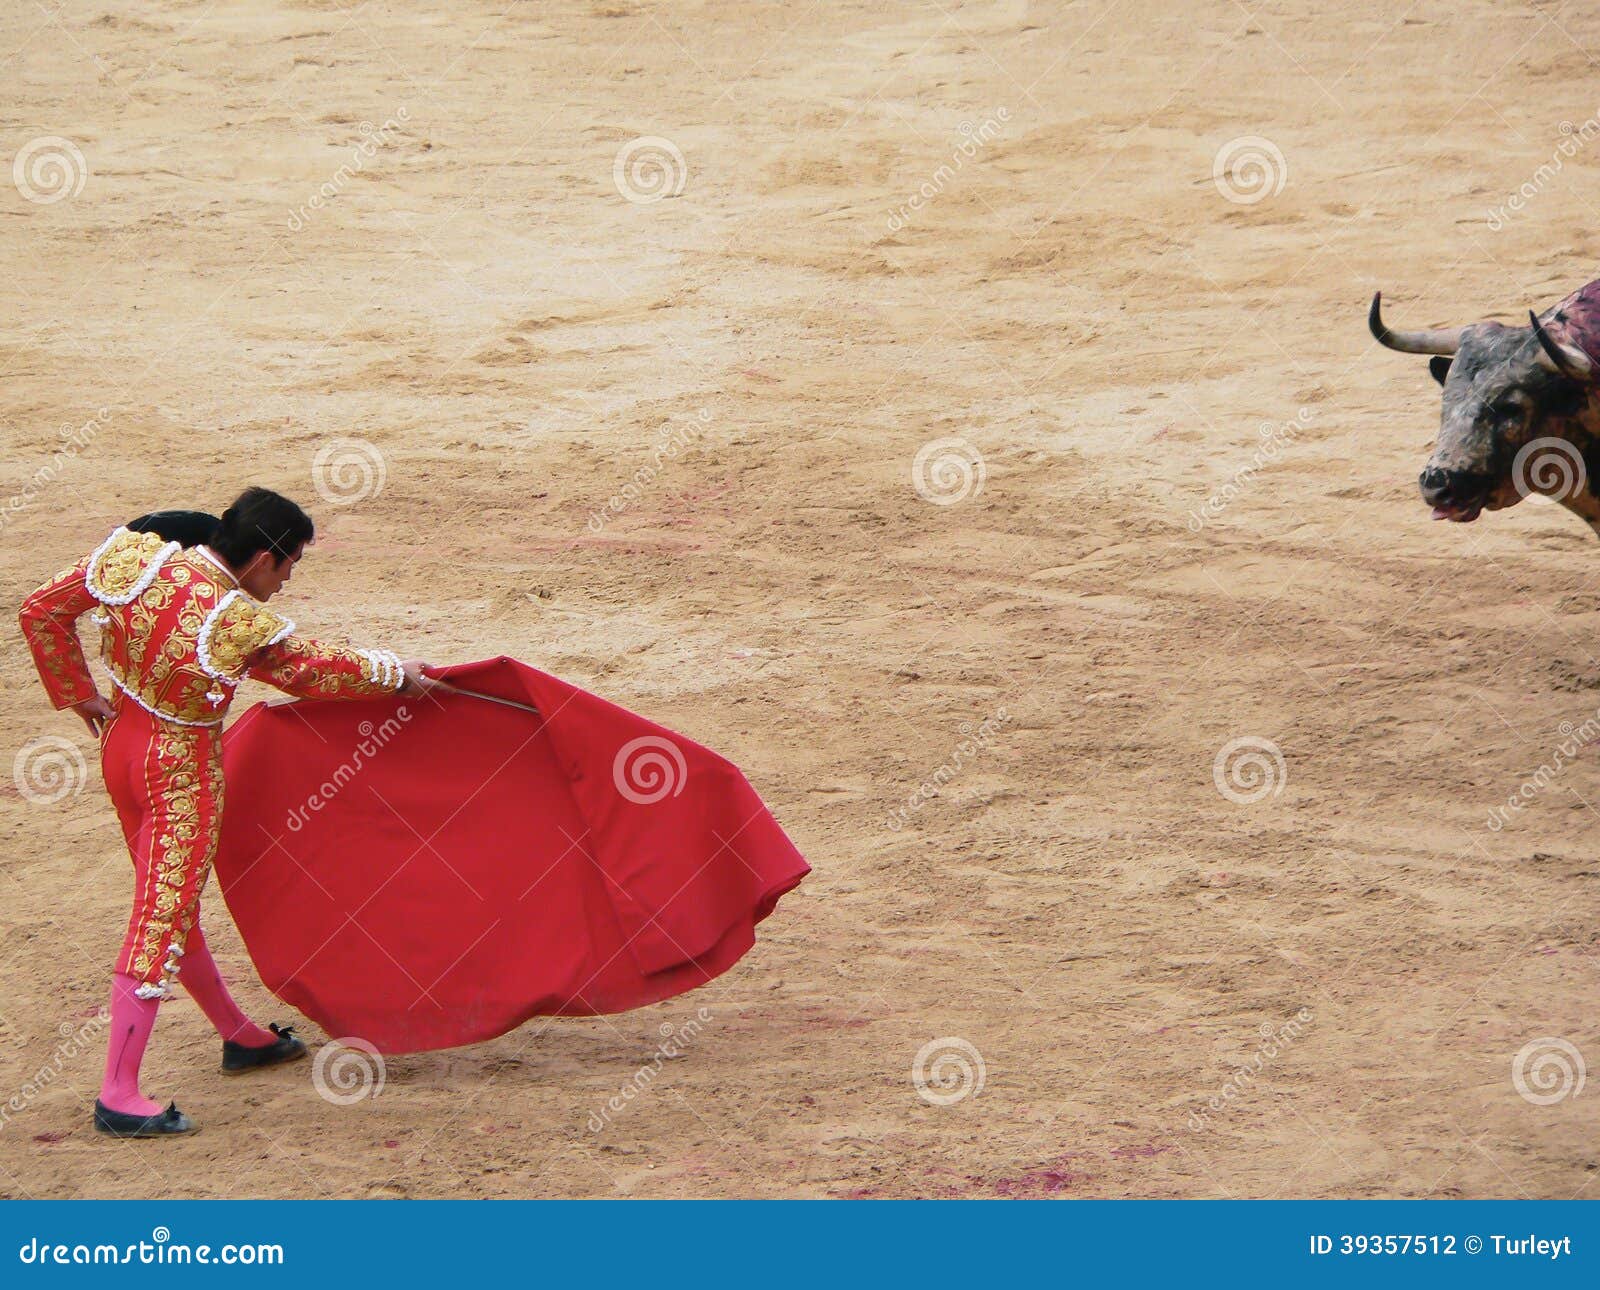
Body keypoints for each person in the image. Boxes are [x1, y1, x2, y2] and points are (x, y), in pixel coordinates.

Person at [18, 486, 436, 1138]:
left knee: (169, 903)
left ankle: (238, 1036)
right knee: (161, 913)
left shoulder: (140, 561)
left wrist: (79, 695)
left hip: (120, 747)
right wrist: (393, 673)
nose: (290, 578)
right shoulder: (233, 617)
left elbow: (41, 611)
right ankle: (117, 1093)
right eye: (291, 563)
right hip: (177, 773)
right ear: (264, 557)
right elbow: (309, 671)